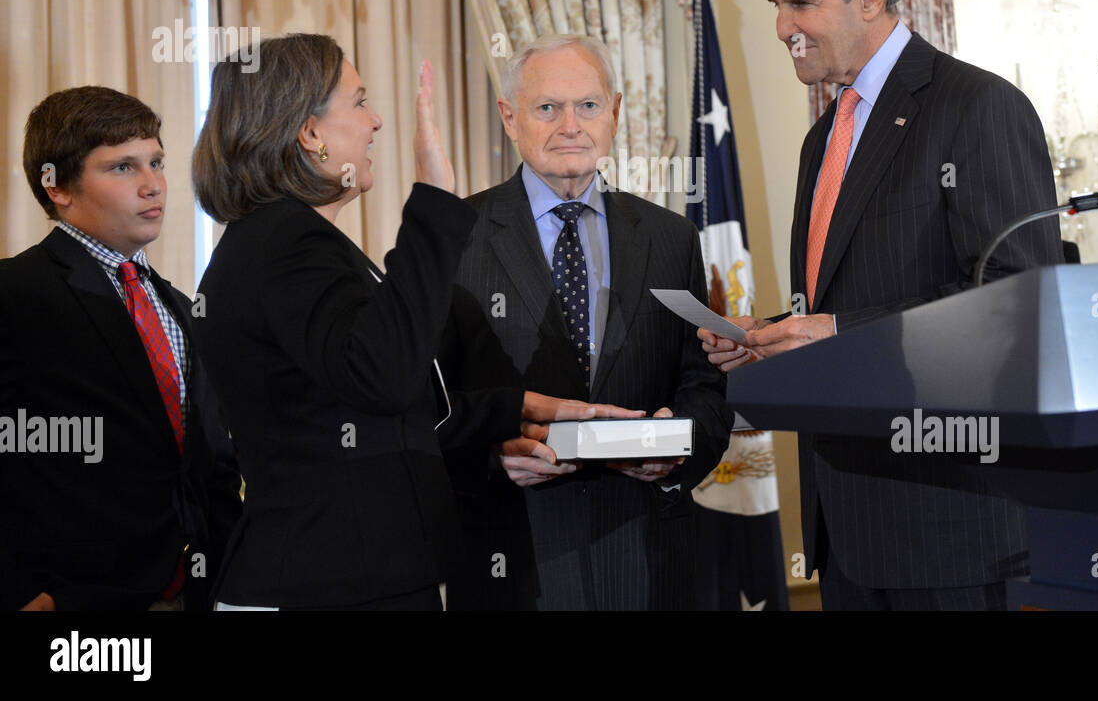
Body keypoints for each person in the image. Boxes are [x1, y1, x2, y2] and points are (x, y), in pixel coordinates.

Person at [700, 0, 1063, 610]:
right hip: (845, 531)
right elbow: (847, 297)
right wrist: (771, 337)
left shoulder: (977, 108)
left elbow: (1017, 306)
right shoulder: (824, 136)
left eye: (799, 4)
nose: (782, 28)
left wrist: (837, 331)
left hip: (953, 526)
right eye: (775, 4)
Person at [191, 33, 632, 610]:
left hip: (355, 580)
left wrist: (515, 406)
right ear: (310, 133)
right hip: (319, 584)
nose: (375, 121)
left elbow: (367, 401)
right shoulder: (285, 243)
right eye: (358, 102)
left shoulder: (294, 241)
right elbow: (385, 376)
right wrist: (431, 199)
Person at [441, 34, 733, 611]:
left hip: (647, 555)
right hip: (515, 557)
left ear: (616, 113)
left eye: (589, 106)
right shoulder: (453, 236)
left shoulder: (671, 238)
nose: (570, 125)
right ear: (510, 118)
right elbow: (426, 405)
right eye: (547, 107)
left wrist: (677, 448)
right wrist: (491, 455)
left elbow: (704, 387)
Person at [0, 87, 241, 611]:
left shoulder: (178, 304)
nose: (153, 185)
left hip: (201, 590)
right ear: (57, 186)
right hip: (78, 602)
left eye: (156, 162)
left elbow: (207, 458)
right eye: (123, 168)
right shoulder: (16, 291)